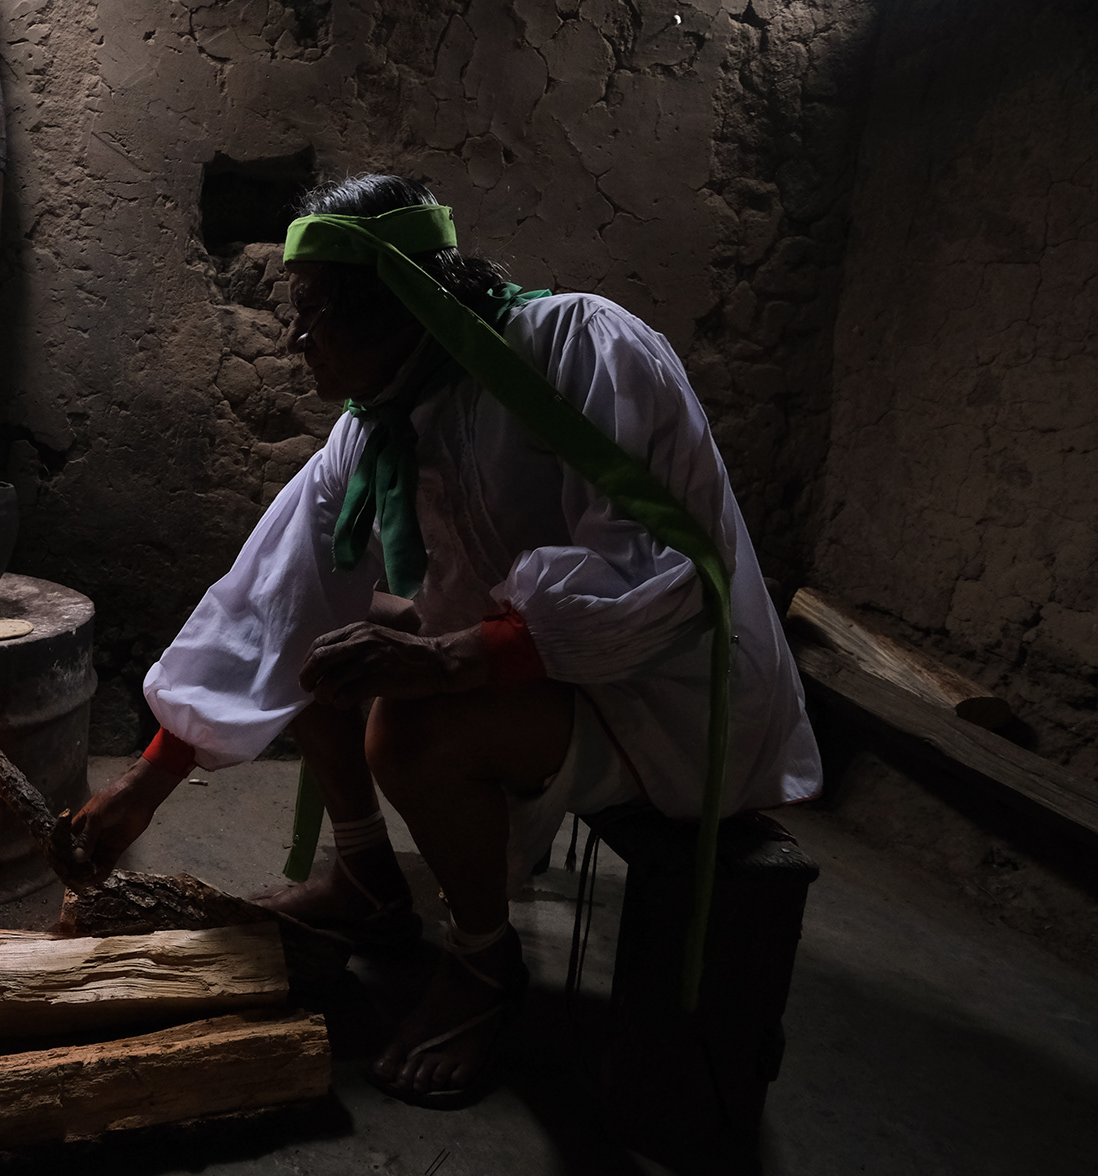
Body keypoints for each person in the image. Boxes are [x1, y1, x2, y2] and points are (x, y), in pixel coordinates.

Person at [73, 174, 821, 1108]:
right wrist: (143, 786)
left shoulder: (580, 347)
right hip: (543, 666)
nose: (294, 338)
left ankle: (483, 962)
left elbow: (663, 577)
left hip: (667, 694)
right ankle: (368, 883)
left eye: (312, 311)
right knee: (328, 643)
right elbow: (272, 600)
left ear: (394, 300)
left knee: (408, 726)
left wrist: (442, 662)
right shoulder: (385, 418)